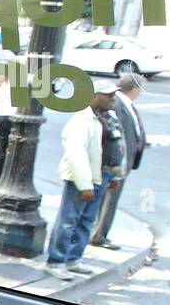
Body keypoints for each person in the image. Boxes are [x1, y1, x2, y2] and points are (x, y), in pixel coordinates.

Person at [45, 89, 125, 280]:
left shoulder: (108, 117)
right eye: (108, 96)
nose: (112, 99)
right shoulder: (82, 120)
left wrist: (115, 176)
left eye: (113, 96)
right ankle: (56, 261)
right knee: (69, 220)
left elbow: (118, 146)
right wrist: (84, 184)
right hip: (84, 178)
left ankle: (74, 258)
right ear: (94, 97)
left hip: (103, 174)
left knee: (87, 220)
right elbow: (76, 153)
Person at [91, 72, 147, 250]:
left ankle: (99, 233)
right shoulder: (117, 104)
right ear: (135, 88)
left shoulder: (125, 104)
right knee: (109, 198)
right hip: (116, 163)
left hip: (123, 161)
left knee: (110, 198)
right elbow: (115, 134)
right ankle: (99, 234)